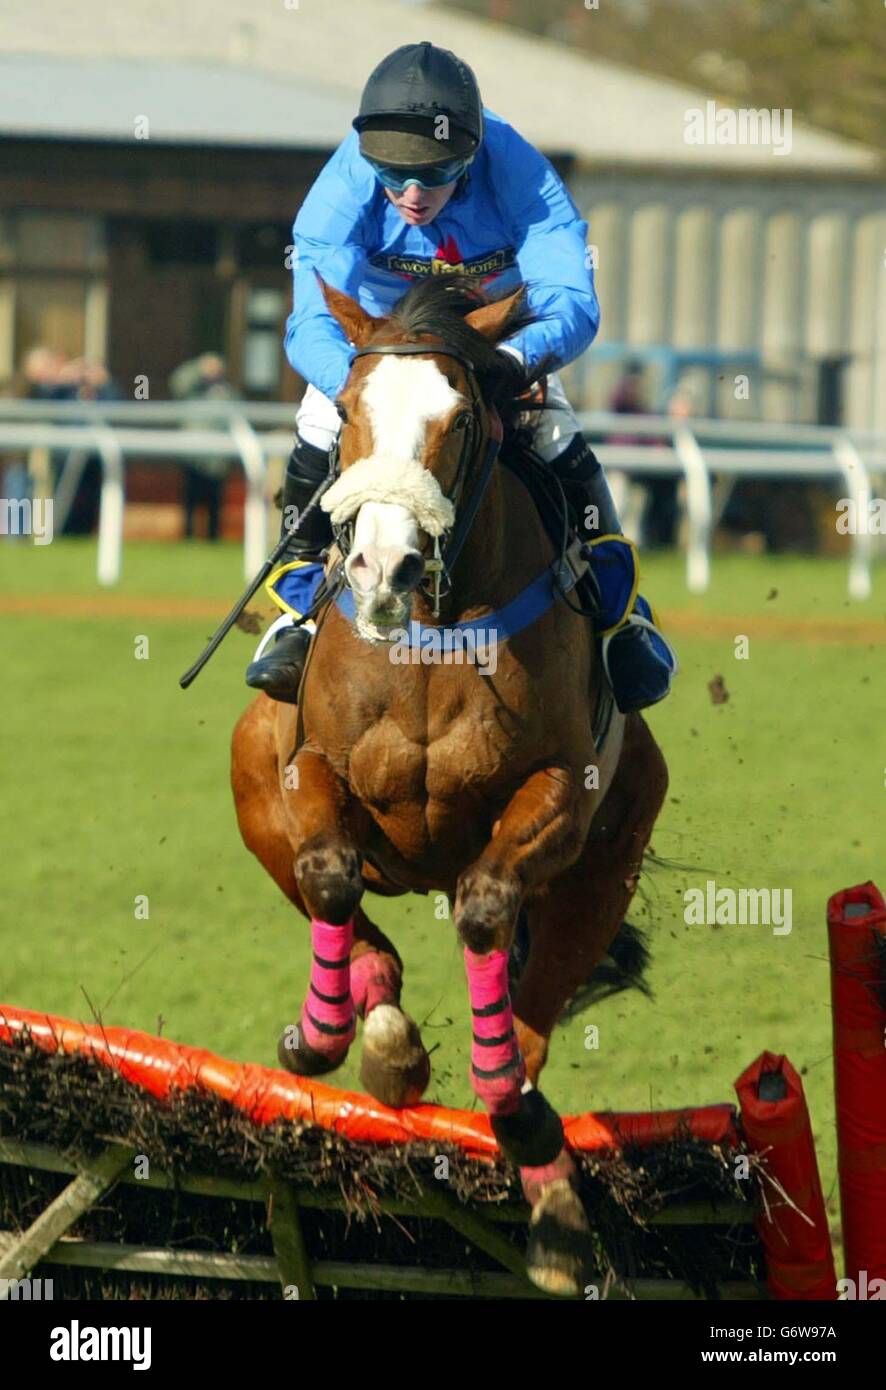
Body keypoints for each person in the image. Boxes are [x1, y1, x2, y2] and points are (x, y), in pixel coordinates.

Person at [246, 42, 675, 712]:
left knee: (554, 431)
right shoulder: (344, 182)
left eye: (436, 173)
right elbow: (311, 320)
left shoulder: (521, 172)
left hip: (488, 336)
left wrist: (510, 364)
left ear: (470, 154)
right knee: (318, 421)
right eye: (392, 175)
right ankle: (296, 612)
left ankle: (622, 620)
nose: (412, 195)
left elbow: (571, 299)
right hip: (385, 337)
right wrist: (362, 387)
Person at [170, 354, 235, 541]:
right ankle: (188, 535)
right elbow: (177, 382)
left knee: (215, 502)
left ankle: (213, 537)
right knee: (190, 501)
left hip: (217, 459)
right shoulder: (191, 391)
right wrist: (199, 368)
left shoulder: (225, 393)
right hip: (193, 456)